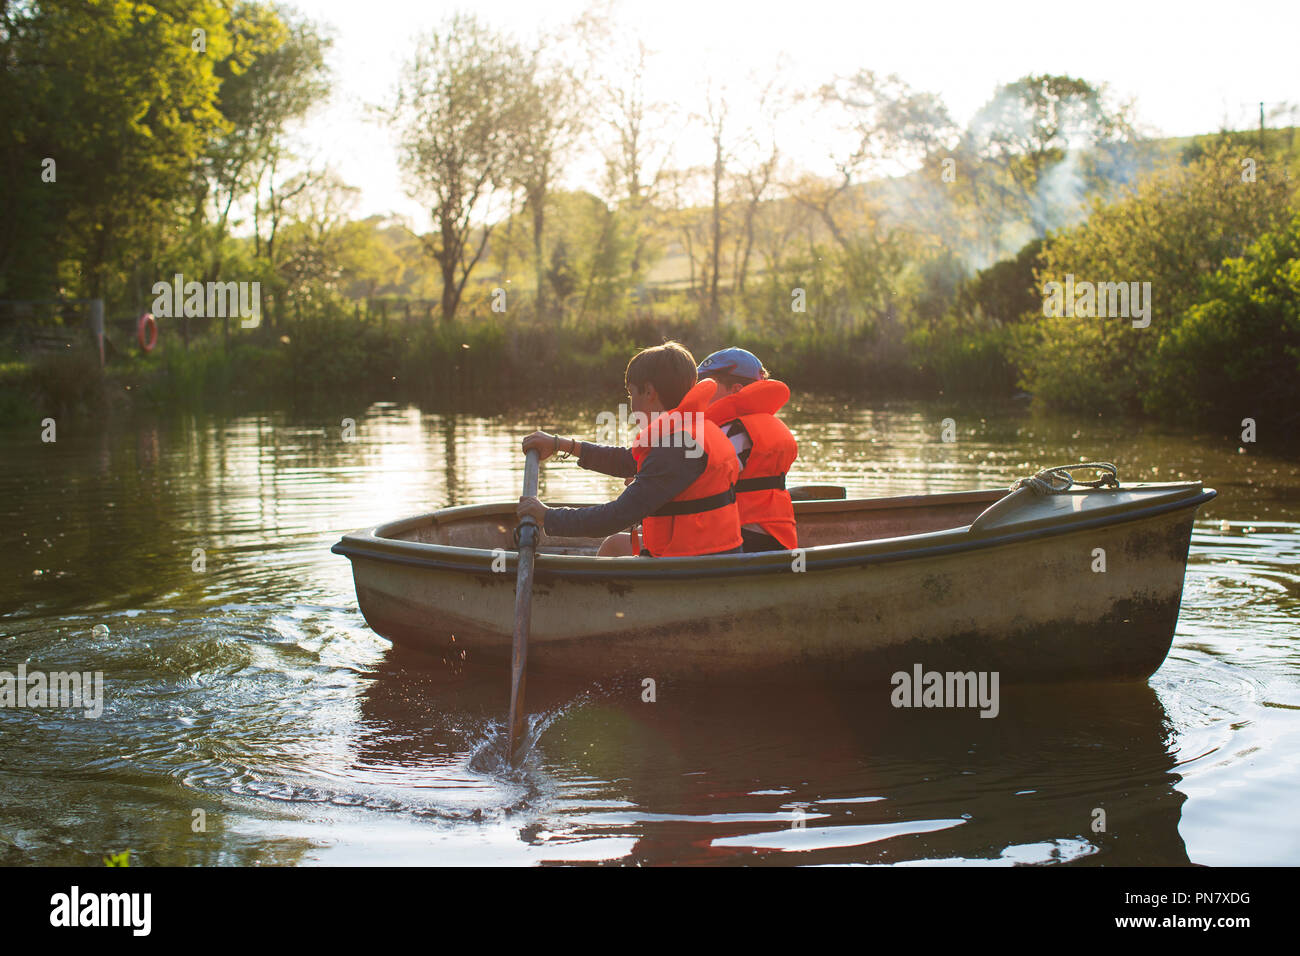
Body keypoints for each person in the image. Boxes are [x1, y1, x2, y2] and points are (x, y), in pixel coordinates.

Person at [516, 341, 743, 557]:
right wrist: (561, 445)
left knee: (612, 542)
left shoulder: (678, 445)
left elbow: (615, 517)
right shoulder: (695, 430)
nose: (631, 404)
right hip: (708, 554)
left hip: (691, 567)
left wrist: (547, 516)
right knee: (614, 545)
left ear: (649, 392)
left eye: (631, 394)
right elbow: (627, 460)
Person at [696, 347, 798, 552]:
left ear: (735, 390)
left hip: (745, 537)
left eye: (708, 387)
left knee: (615, 544)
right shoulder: (765, 424)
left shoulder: (735, 431)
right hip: (777, 536)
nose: (700, 393)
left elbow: (702, 481)